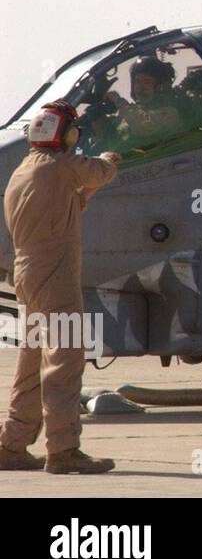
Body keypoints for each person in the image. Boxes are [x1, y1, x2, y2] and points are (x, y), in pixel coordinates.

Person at [0, 101, 120, 474]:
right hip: (56, 278)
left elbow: (68, 204)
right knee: (64, 361)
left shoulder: (25, 171)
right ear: (64, 134)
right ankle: (64, 449)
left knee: (32, 359)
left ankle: (12, 443)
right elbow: (100, 172)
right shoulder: (63, 166)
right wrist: (109, 159)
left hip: (28, 277)